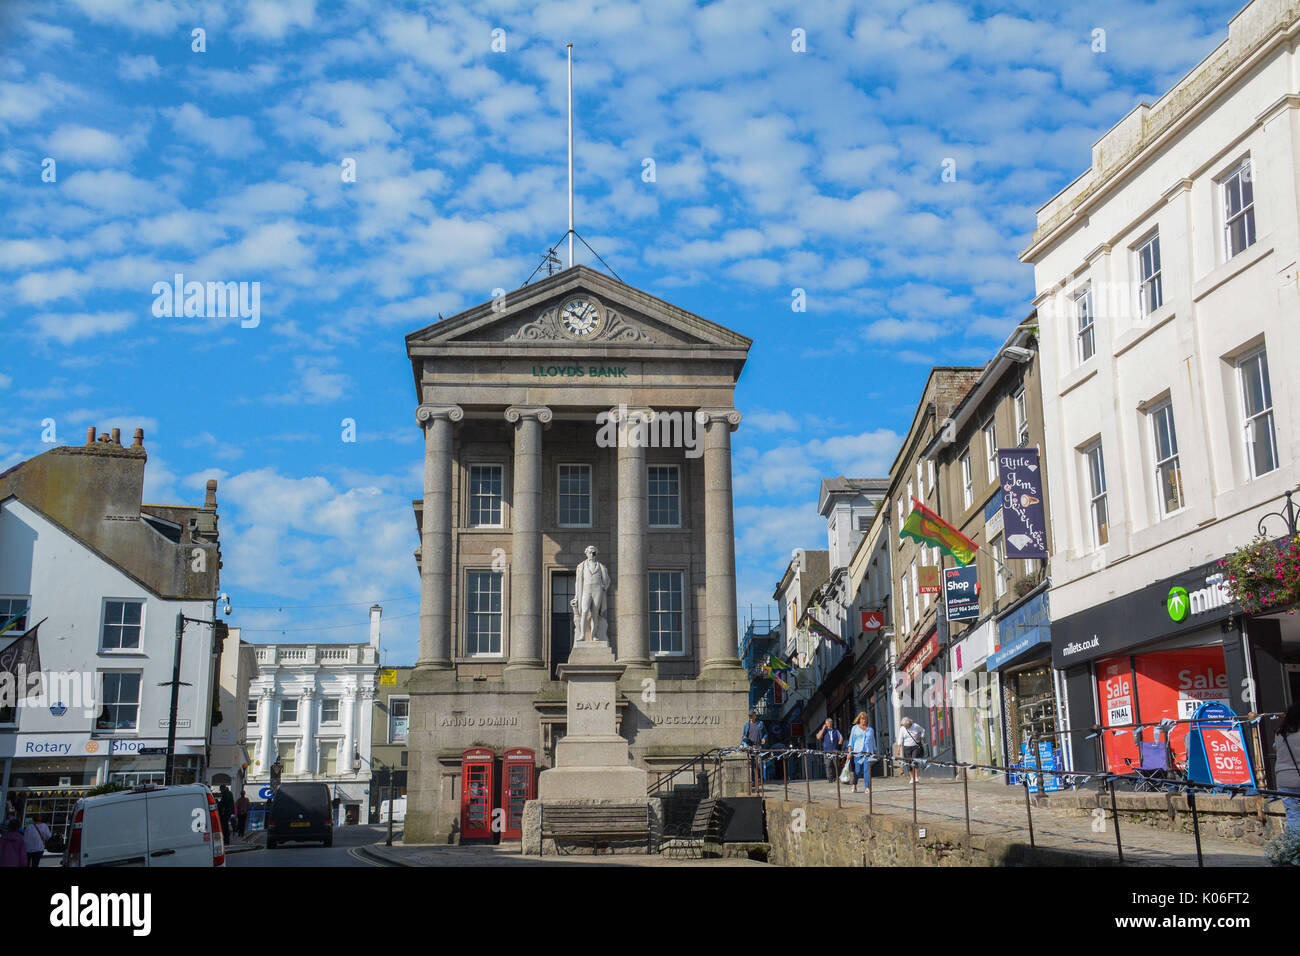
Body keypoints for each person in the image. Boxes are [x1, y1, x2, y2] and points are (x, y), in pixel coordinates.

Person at [1274, 703, 1300, 836]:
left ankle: (1295, 848)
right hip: (1298, 777)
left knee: (1293, 816)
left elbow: (1276, 749)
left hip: (1283, 779)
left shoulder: (1280, 734)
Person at [846, 712, 878, 793]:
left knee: (867, 770)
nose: (863, 720)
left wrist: (874, 751)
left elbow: (873, 741)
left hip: (868, 753)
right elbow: (851, 741)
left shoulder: (870, 729)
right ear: (859, 719)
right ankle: (854, 784)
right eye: (862, 719)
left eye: (865, 719)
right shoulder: (855, 728)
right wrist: (849, 752)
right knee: (857, 770)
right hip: (858, 753)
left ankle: (867, 787)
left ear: (867, 720)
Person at [742, 711, 767, 789]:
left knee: (759, 763)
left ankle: (760, 779)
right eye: (749, 716)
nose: (750, 718)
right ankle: (753, 781)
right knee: (752, 764)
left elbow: (766, 733)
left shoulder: (760, 723)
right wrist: (745, 741)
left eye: (751, 716)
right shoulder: (746, 725)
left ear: (755, 716)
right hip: (750, 746)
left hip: (758, 746)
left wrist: (764, 738)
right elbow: (744, 736)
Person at [815, 717, 843, 783]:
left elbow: (841, 737)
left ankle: (837, 777)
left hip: (834, 750)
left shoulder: (836, 731)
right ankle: (830, 778)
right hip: (826, 751)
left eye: (830, 723)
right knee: (828, 765)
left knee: (836, 764)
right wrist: (823, 729)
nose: (829, 725)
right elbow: (818, 737)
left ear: (832, 723)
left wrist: (840, 742)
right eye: (827, 723)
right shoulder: (823, 731)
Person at [900, 716, 926, 783]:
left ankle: (916, 777)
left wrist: (921, 737)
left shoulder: (915, 726)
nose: (906, 727)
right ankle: (912, 778)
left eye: (907, 725)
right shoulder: (902, 728)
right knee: (908, 762)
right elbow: (900, 738)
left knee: (914, 760)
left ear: (909, 723)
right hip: (906, 747)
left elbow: (923, 730)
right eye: (904, 725)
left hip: (915, 746)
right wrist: (898, 747)